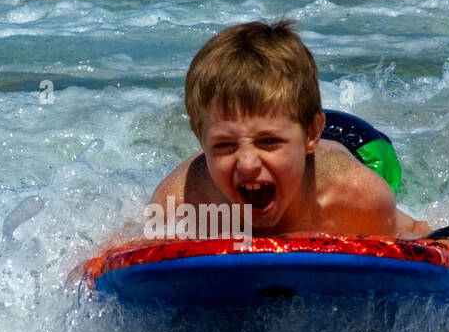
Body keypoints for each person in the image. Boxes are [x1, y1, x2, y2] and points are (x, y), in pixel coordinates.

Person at [149, 19, 432, 238]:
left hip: (360, 144)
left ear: (311, 135)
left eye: (268, 142)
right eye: (224, 145)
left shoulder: (357, 195)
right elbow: (132, 247)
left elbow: (418, 231)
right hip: (286, 122)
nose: (247, 165)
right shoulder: (182, 203)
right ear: (201, 140)